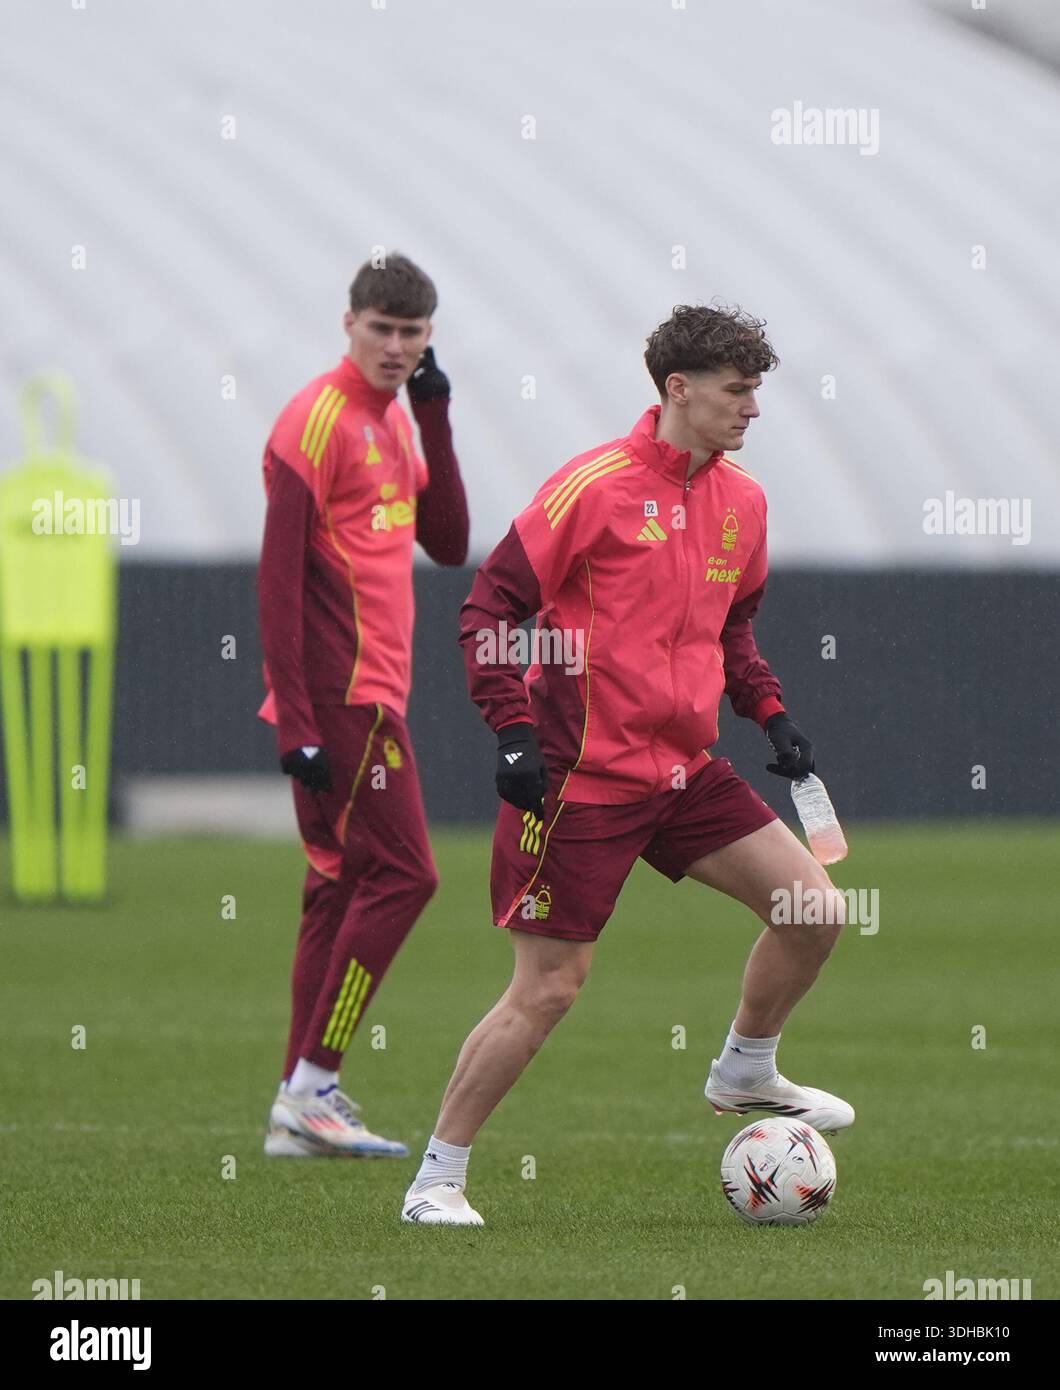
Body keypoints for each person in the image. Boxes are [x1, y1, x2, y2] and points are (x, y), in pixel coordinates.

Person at [401, 303, 852, 1225]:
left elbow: (735, 632)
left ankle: (744, 1071)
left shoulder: (745, 503)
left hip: (684, 773)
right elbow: (487, 610)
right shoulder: (592, 488)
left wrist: (771, 716)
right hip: (577, 779)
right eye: (738, 390)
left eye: (758, 389)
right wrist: (513, 729)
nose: (753, 409)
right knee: (550, 989)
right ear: (678, 389)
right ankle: (436, 1180)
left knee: (815, 909)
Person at [257, 253, 468, 1157]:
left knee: (335, 890)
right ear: (348, 323)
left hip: (375, 692)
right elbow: (276, 581)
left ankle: (297, 1109)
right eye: (379, 328)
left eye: (409, 333)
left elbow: (451, 543)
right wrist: (300, 724)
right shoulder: (317, 419)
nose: (393, 345)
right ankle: (317, 1082)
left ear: (426, 339)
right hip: (343, 698)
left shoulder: (396, 419)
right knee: (408, 876)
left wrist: (435, 414)